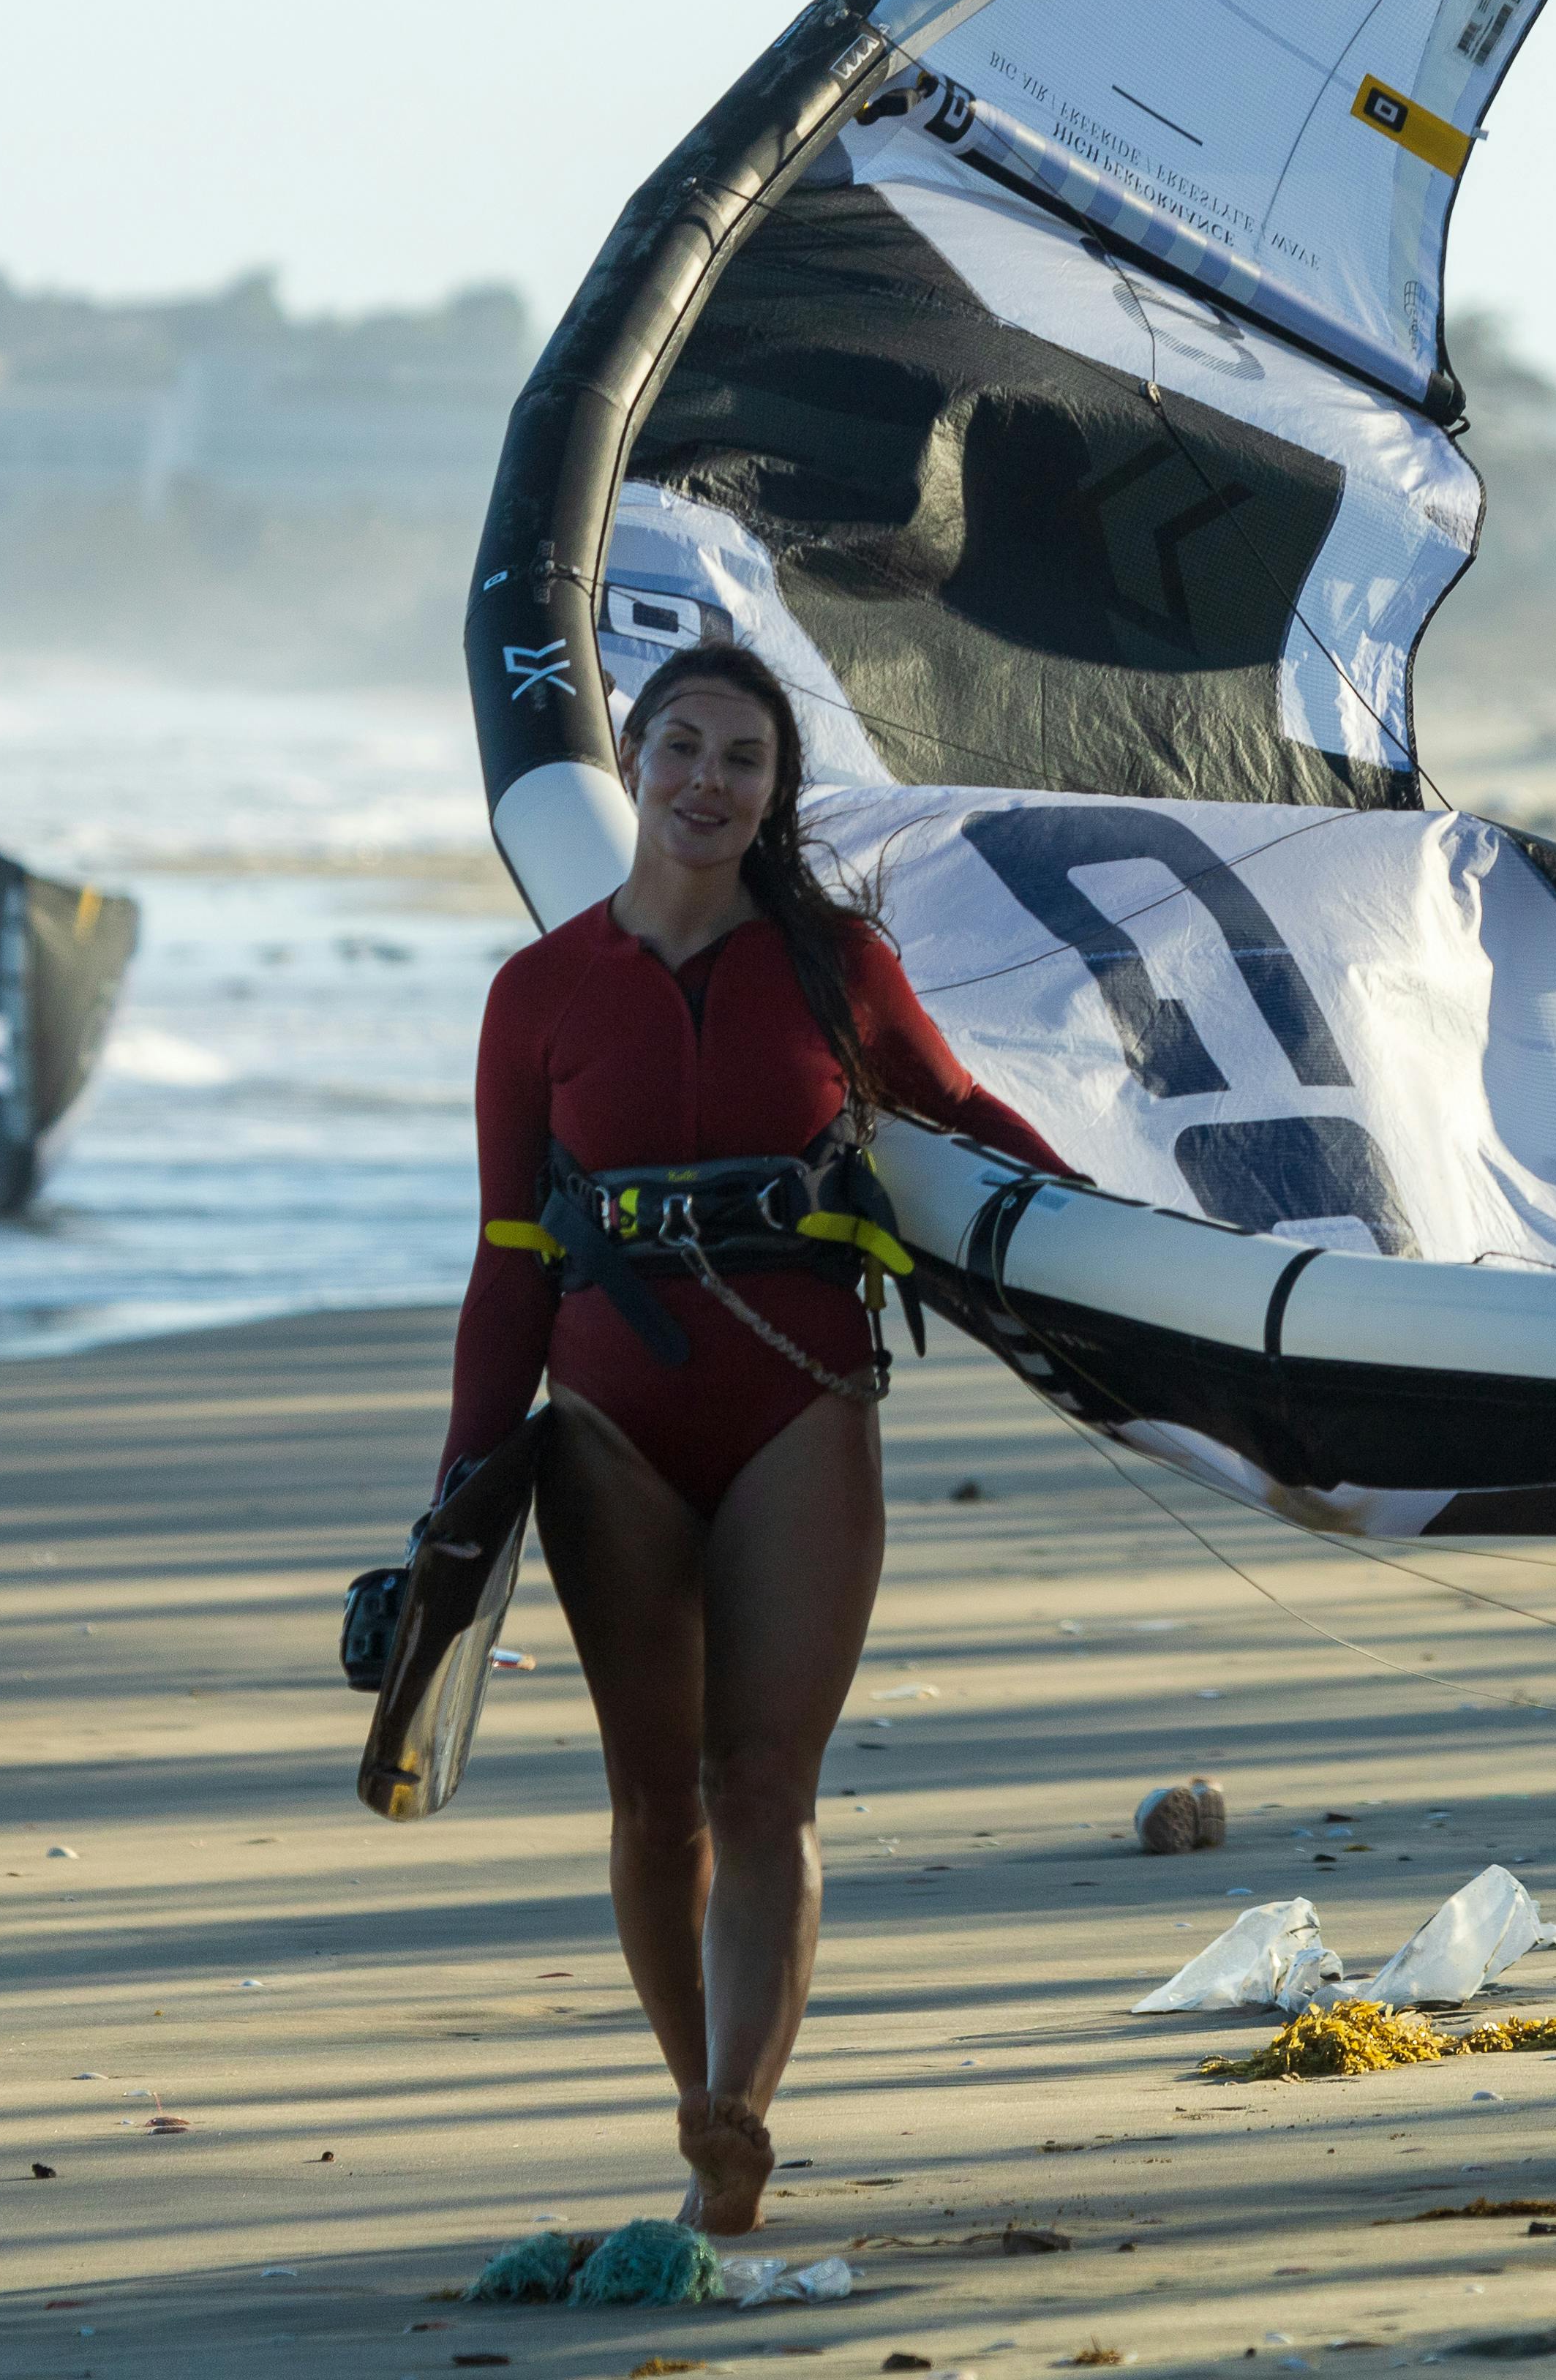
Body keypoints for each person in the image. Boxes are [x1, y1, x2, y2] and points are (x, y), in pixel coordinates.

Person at [439, 641, 1070, 2235]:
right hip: (606, 1423)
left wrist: (1125, 1253)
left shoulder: (837, 967)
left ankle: (740, 2115)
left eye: (745, 760)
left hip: (801, 1397)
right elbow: (511, 1254)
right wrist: (459, 1477)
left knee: (765, 1781)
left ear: (776, 793)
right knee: (656, 1795)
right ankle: (700, 2094)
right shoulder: (539, 994)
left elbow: (968, 1123)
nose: (708, 782)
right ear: (633, 760)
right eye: (682, 749)